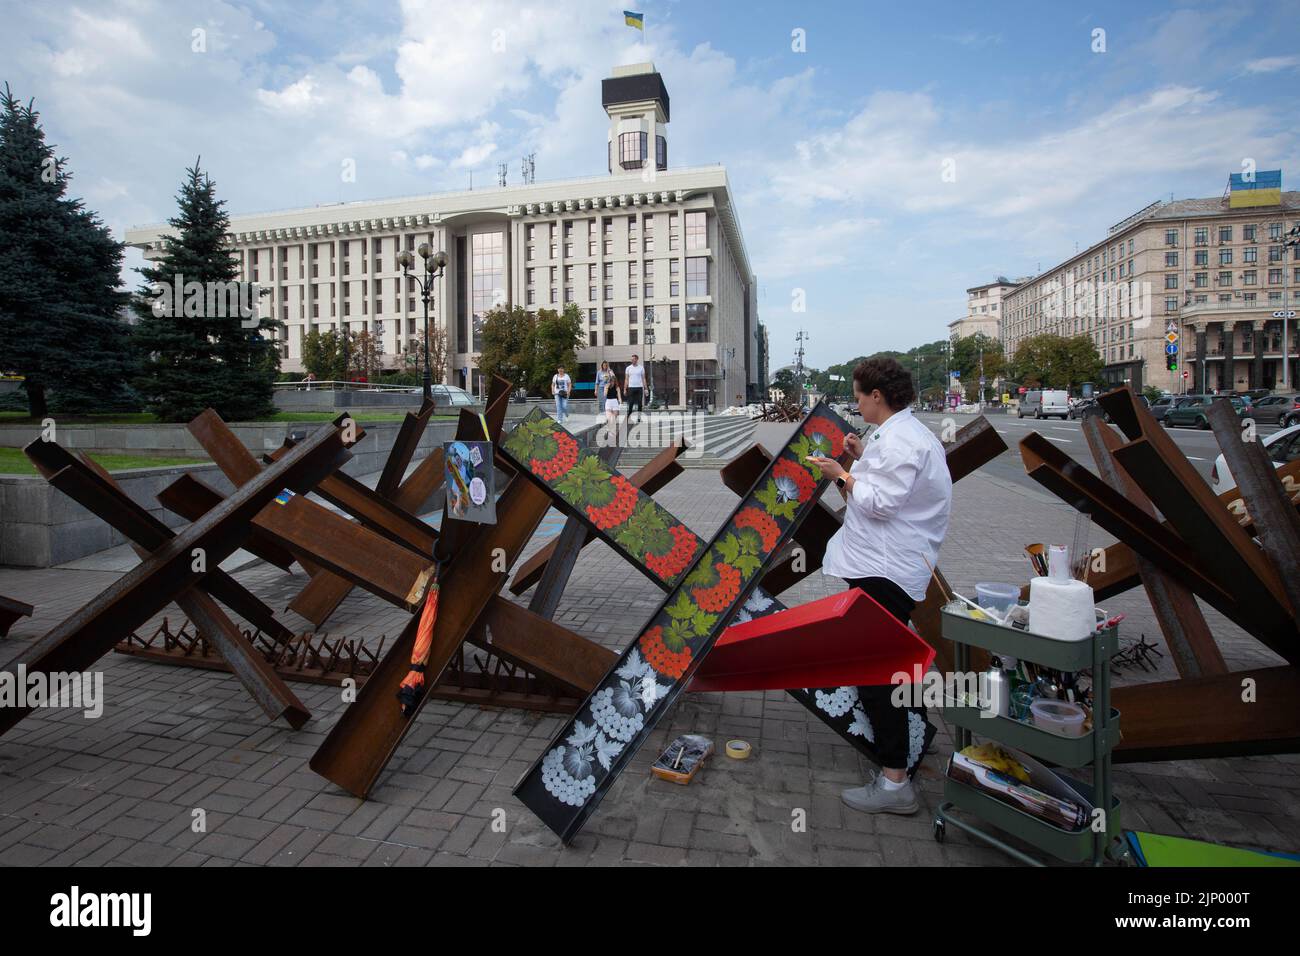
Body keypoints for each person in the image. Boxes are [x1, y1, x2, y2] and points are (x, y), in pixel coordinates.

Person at [807, 356, 953, 815]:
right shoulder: (902, 435)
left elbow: (881, 504)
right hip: (891, 564)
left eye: (858, 395)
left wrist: (842, 473)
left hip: (886, 569)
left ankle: (895, 783)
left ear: (877, 396)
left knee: (874, 671)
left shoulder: (901, 441)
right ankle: (916, 738)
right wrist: (861, 457)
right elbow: (895, 487)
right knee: (892, 659)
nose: (856, 403)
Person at [624, 355, 646, 423]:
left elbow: (643, 378)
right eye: (631, 359)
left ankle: (639, 418)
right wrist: (625, 388)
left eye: (633, 359)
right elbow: (626, 379)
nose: (632, 360)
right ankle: (629, 417)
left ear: (637, 359)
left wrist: (646, 388)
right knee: (631, 403)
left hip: (639, 387)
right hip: (631, 388)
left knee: (640, 403)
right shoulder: (628, 368)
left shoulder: (641, 368)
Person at [603, 371, 622, 436]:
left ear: (615, 381)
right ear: (609, 381)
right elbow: (605, 395)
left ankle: (611, 432)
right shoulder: (606, 386)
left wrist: (620, 402)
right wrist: (607, 387)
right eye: (611, 381)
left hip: (615, 402)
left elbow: (619, 396)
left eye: (613, 381)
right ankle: (609, 430)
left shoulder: (617, 387)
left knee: (613, 419)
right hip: (608, 402)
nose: (612, 382)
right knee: (609, 418)